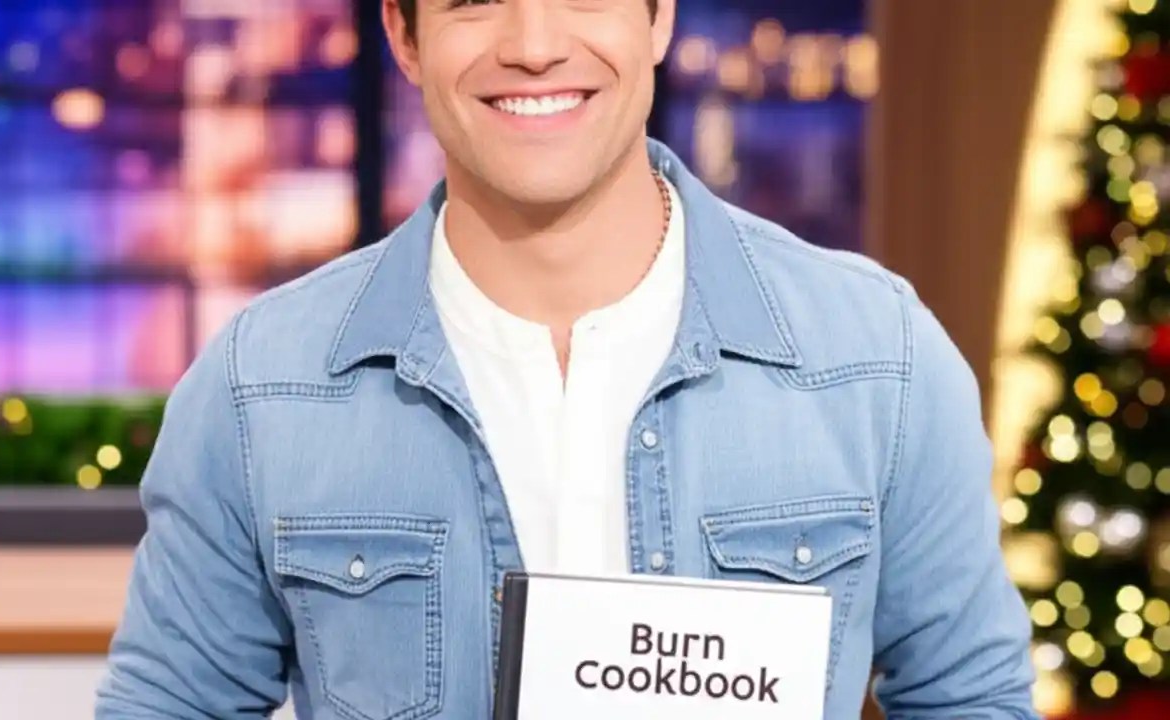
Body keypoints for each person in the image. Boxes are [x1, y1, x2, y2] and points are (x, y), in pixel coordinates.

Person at [96, 1, 1037, 718]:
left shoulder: (879, 357)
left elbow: (974, 701)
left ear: (660, 15)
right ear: (405, 35)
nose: (534, 42)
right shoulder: (261, 388)